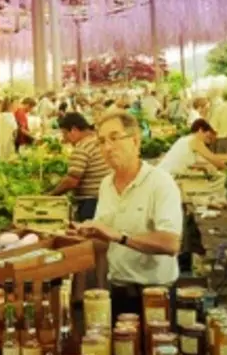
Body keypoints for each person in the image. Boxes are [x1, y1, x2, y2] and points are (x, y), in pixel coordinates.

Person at [77, 111, 184, 318]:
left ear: (135, 141)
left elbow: (170, 243)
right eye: (101, 141)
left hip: (155, 294)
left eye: (114, 138)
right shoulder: (106, 184)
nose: (107, 147)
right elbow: (104, 241)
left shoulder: (160, 183)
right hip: (118, 290)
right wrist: (80, 238)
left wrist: (120, 236)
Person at [51, 113, 110, 221]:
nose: (65, 139)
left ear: (73, 130)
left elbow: (72, 181)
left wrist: (51, 195)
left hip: (91, 202)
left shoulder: (82, 148)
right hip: (105, 198)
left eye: (65, 134)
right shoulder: (97, 140)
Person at [156, 120, 227, 177]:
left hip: (163, 174)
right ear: (200, 130)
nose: (208, 140)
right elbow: (213, 159)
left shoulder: (185, 139)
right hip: (166, 176)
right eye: (208, 135)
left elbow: (204, 159)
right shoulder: (196, 140)